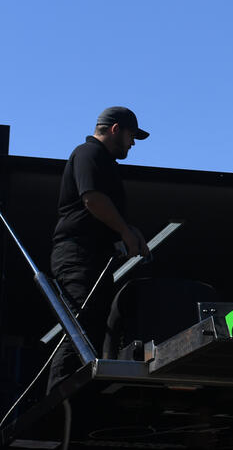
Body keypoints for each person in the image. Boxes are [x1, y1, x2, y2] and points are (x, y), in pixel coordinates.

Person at [48, 106, 152, 389]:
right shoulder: (88, 153)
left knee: (91, 332)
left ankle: (75, 408)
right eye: (131, 136)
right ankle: (56, 414)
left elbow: (104, 205)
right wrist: (124, 232)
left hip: (93, 257)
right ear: (116, 129)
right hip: (78, 255)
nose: (132, 143)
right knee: (79, 332)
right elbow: (92, 199)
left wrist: (131, 230)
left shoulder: (104, 162)